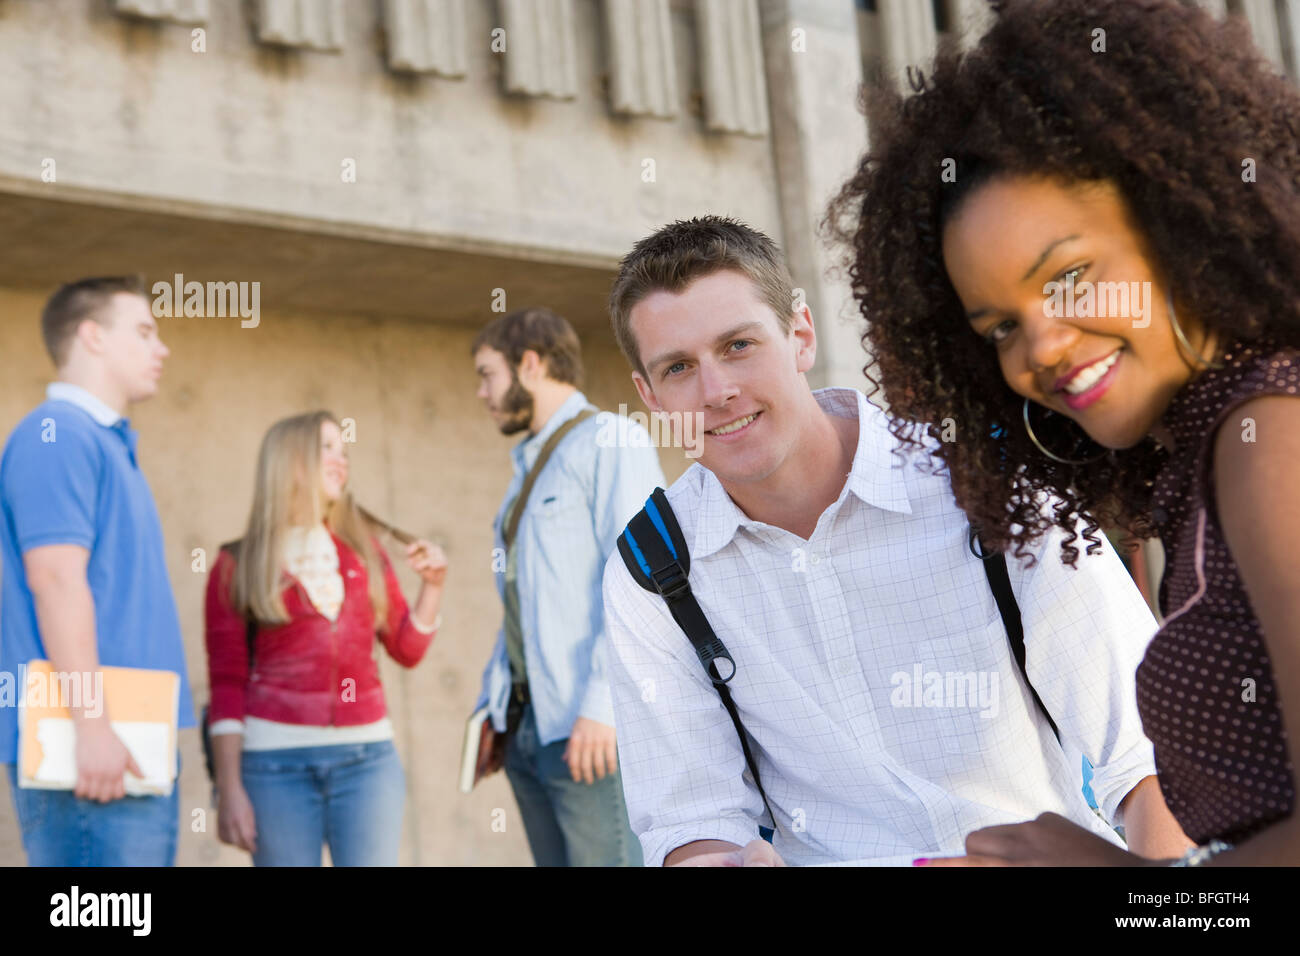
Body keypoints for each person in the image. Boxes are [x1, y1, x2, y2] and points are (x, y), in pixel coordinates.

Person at [829, 0, 1298, 865]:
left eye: (1071, 276)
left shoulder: (1269, 438)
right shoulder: (1219, 452)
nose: (1040, 347)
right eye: (999, 326)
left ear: (1178, 224)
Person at [599, 215, 1194, 867]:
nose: (717, 392)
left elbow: (1151, 757)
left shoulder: (988, 486)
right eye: (679, 367)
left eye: (739, 345)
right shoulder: (652, 568)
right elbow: (689, 815)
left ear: (800, 334)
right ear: (649, 396)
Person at [0, 276, 195, 866]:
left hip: (129, 736)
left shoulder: (109, 444)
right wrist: (92, 728)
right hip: (92, 746)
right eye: (143, 331)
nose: (161, 349)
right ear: (92, 336)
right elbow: (55, 582)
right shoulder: (57, 435)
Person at [205, 410, 447, 866]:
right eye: (326, 448)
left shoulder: (365, 553)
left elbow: (407, 649)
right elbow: (226, 685)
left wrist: (432, 587)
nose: (341, 459)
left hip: (367, 761)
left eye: (344, 449)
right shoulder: (235, 565)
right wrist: (230, 787)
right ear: (288, 461)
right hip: (273, 767)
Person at [469, 307, 664, 866]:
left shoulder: (611, 441)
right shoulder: (528, 471)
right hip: (531, 730)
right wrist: (492, 705)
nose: (482, 393)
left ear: (529, 364)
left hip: (590, 729)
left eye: (488, 375)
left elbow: (643, 581)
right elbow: (525, 609)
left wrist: (604, 706)